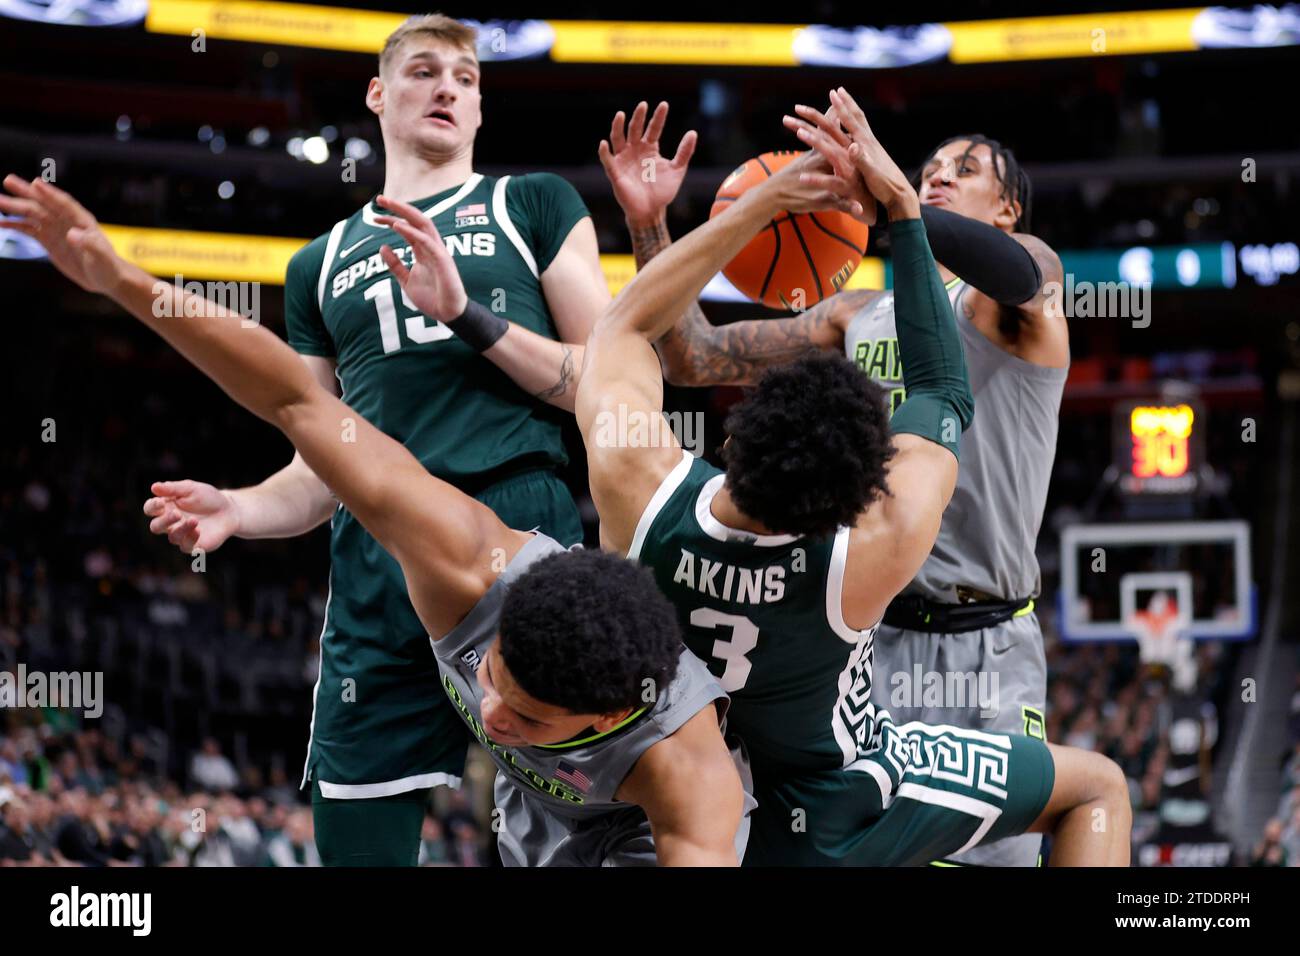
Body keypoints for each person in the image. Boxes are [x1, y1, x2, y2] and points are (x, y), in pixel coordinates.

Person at [0, 172, 744, 867]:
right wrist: (122, 280)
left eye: (526, 718)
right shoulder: (463, 567)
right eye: (493, 678)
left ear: (608, 714)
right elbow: (295, 399)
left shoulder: (682, 770)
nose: (491, 714)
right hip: (546, 819)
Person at [571, 89, 1130, 865]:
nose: (935, 177)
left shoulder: (1022, 295)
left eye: (963, 171)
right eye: (927, 169)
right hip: (861, 630)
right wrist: (650, 221)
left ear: (1006, 209)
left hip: (986, 642)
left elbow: (1016, 273)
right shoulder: (854, 312)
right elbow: (690, 354)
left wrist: (892, 202)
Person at [137, 14, 610, 866]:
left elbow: (607, 386)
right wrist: (240, 509)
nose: (447, 89)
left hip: (515, 528)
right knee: (355, 833)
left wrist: (469, 317)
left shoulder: (532, 202)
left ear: (478, 107)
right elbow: (320, 458)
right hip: (374, 546)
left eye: (465, 79)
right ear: (377, 94)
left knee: (575, 824)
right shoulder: (318, 263)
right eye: (425, 72)